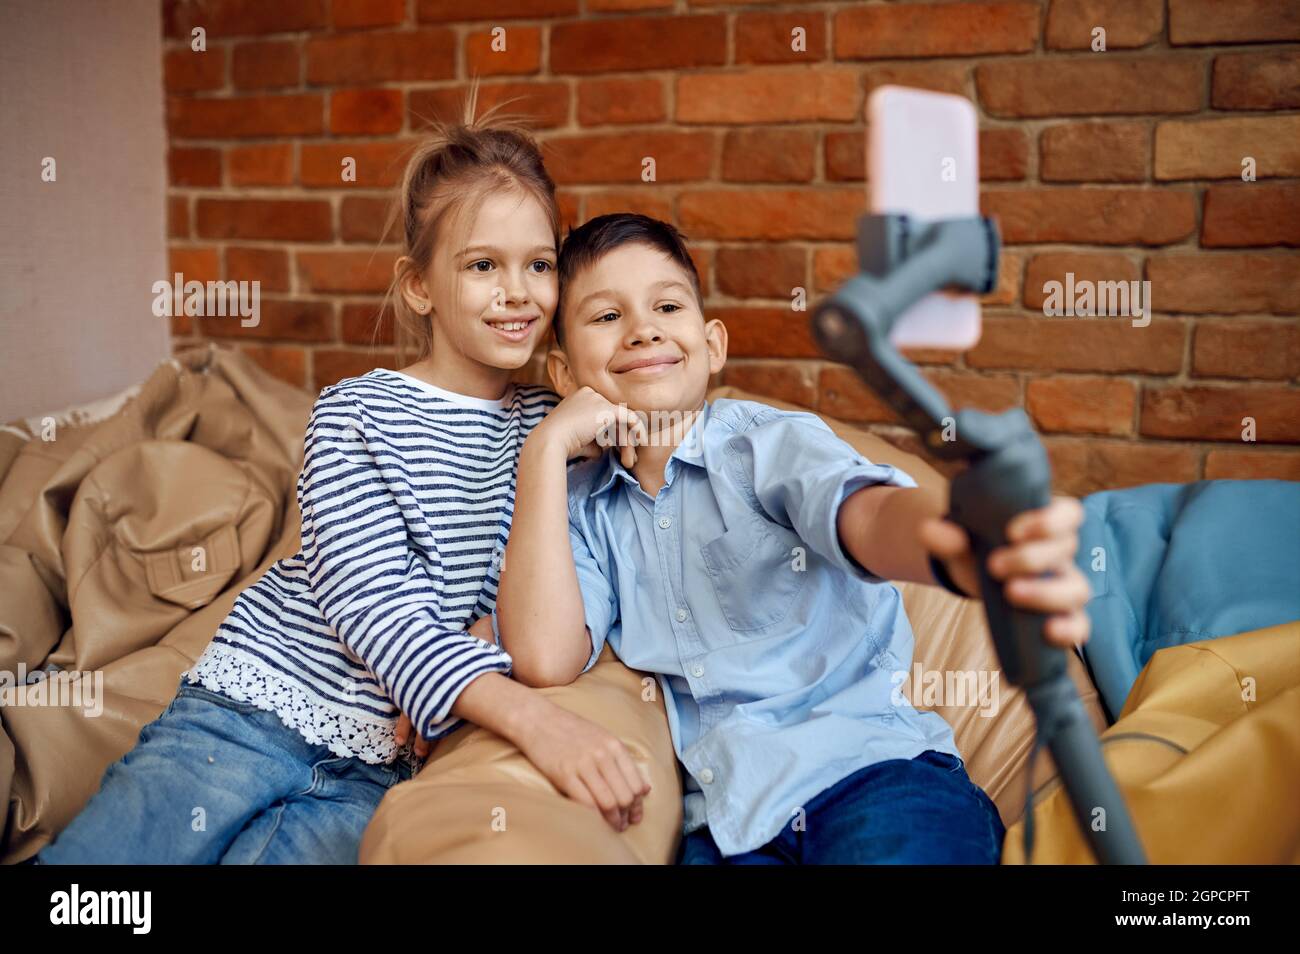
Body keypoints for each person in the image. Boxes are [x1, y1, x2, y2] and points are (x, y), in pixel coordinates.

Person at [495, 213, 1092, 864]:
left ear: (713, 343)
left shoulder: (767, 443)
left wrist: (955, 545)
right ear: (561, 372)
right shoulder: (583, 506)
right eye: (606, 317)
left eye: (667, 304)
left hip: (874, 777)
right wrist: (544, 449)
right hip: (729, 821)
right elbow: (545, 658)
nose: (643, 328)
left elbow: (863, 516)